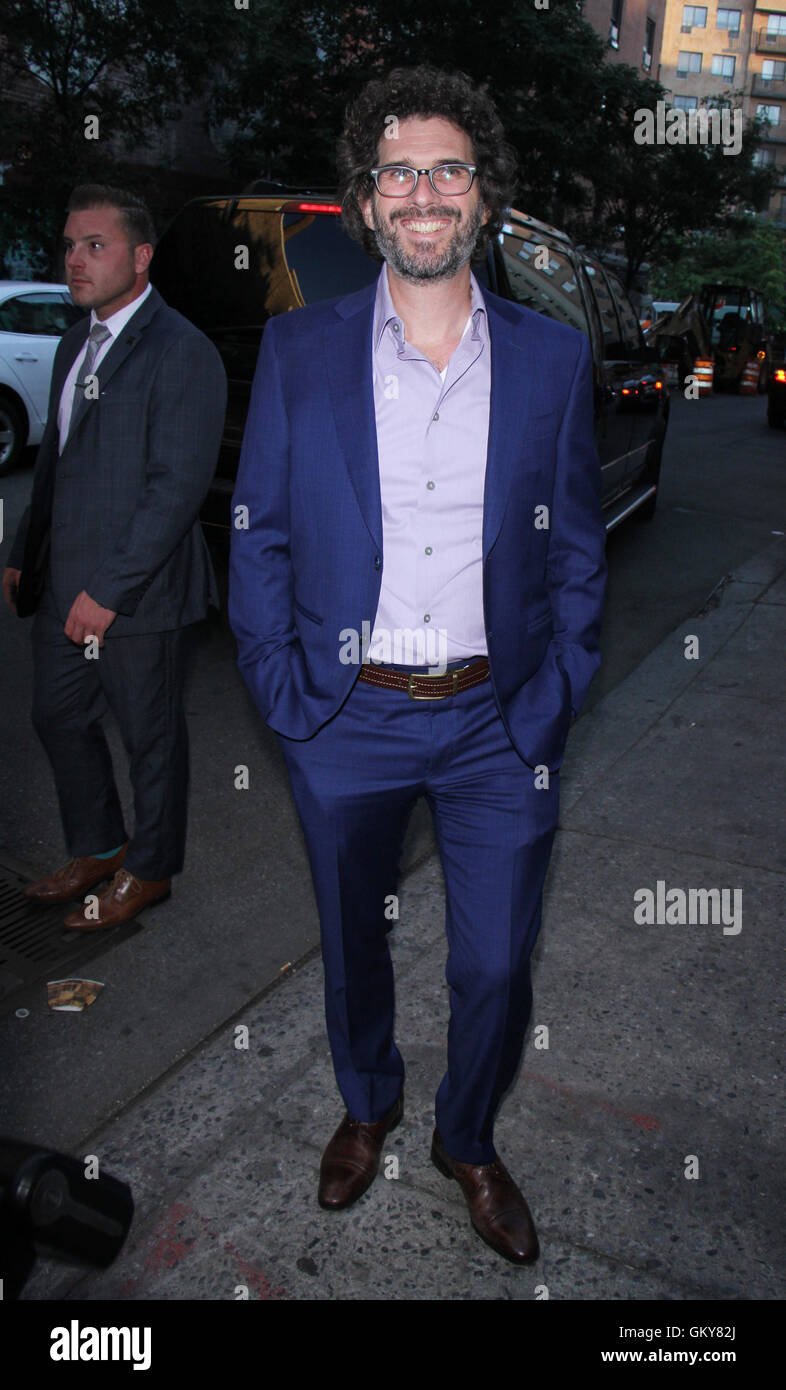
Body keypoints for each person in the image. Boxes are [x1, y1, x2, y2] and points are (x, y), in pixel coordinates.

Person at [229, 67, 607, 1264]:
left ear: (480, 197)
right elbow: (261, 538)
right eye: (400, 172)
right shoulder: (301, 350)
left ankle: (466, 1136)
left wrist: (551, 698)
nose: (425, 192)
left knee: (497, 958)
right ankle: (369, 1100)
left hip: (501, 721)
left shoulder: (550, 359)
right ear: (367, 200)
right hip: (349, 715)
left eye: (448, 169)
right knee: (353, 940)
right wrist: (289, 700)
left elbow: (581, 554)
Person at [2, 184, 227, 929]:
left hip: (138, 592)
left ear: (141, 256)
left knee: (151, 740)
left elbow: (174, 491)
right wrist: (21, 550)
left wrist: (111, 590)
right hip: (65, 583)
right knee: (57, 719)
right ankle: (98, 846)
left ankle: (150, 869)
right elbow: (57, 465)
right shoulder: (74, 342)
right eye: (68, 244)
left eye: (93, 245)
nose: (74, 260)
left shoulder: (182, 351)